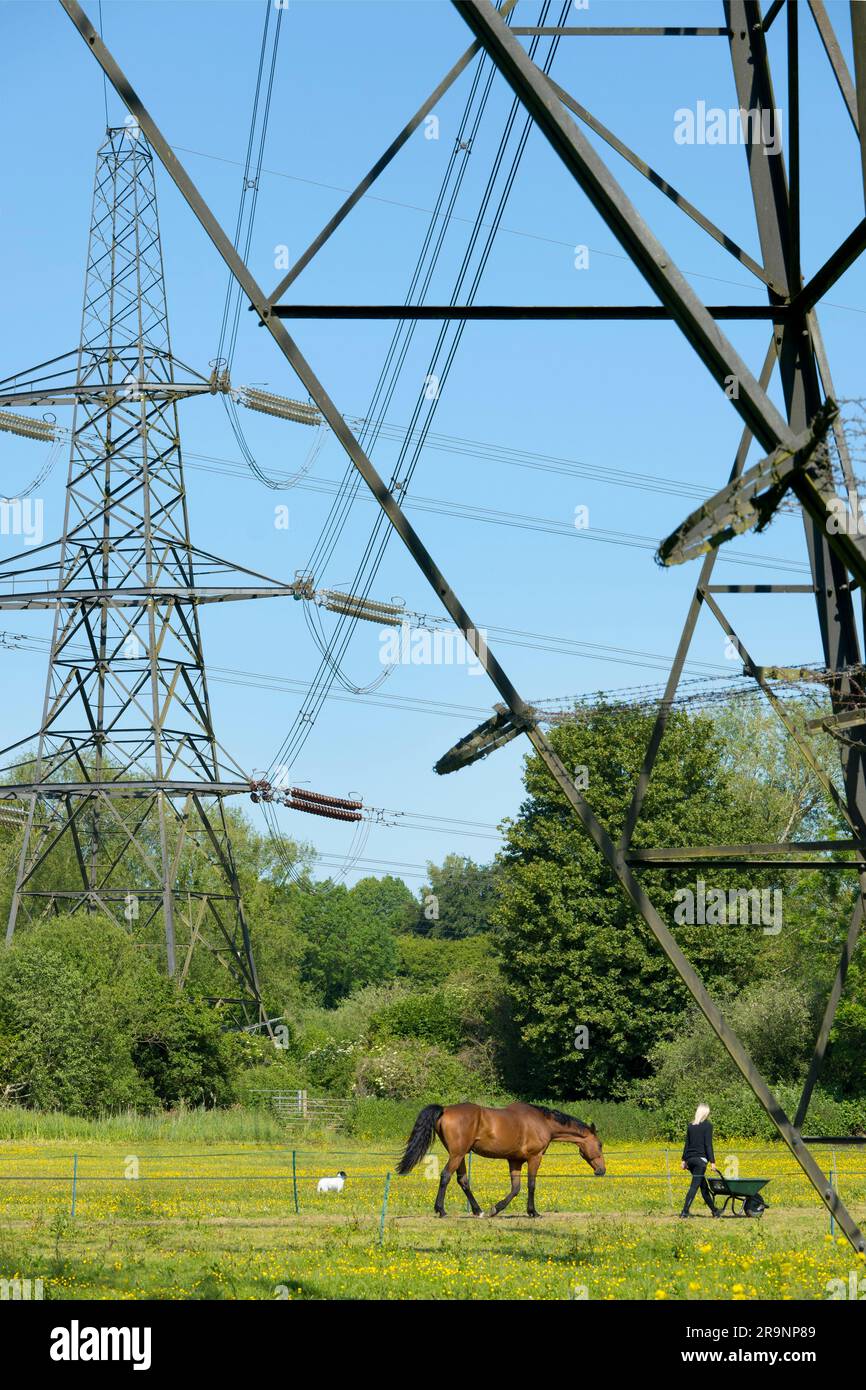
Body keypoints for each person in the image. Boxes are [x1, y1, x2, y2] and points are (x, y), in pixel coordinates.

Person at [678, 1102, 719, 1218]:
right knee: (694, 1186)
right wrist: (712, 1162)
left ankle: (714, 1211)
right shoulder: (708, 1126)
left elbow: (687, 1144)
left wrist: (684, 1160)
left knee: (703, 1186)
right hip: (700, 1161)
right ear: (706, 1113)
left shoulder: (691, 1125)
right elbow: (708, 1145)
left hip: (690, 1160)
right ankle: (684, 1212)